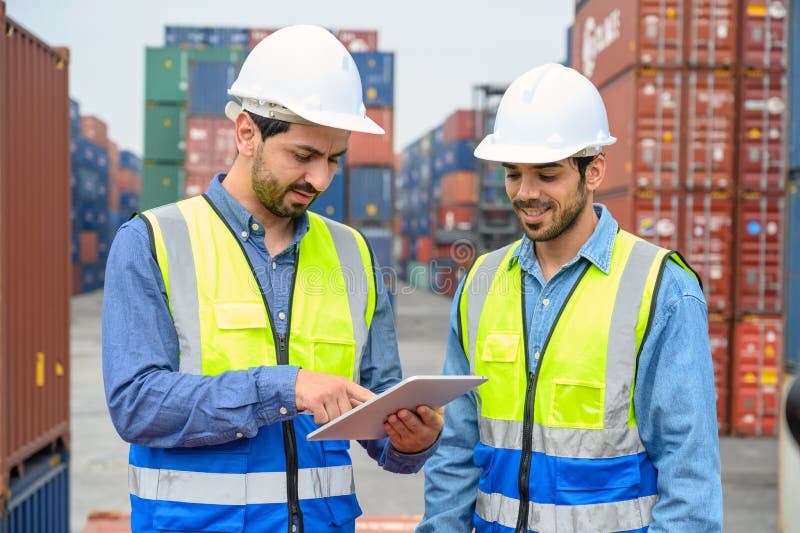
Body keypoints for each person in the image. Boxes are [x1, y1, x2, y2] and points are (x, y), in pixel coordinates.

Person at [102, 25, 443, 533]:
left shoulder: (353, 253)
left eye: (333, 159)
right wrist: (285, 387)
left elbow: (375, 410)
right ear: (246, 133)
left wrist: (410, 442)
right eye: (303, 156)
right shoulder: (152, 241)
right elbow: (137, 405)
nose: (320, 179)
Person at [417, 63, 722, 532]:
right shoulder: (481, 282)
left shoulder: (662, 289)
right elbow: (456, 449)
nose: (526, 193)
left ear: (593, 170)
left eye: (547, 174)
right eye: (513, 174)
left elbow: (690, 480)